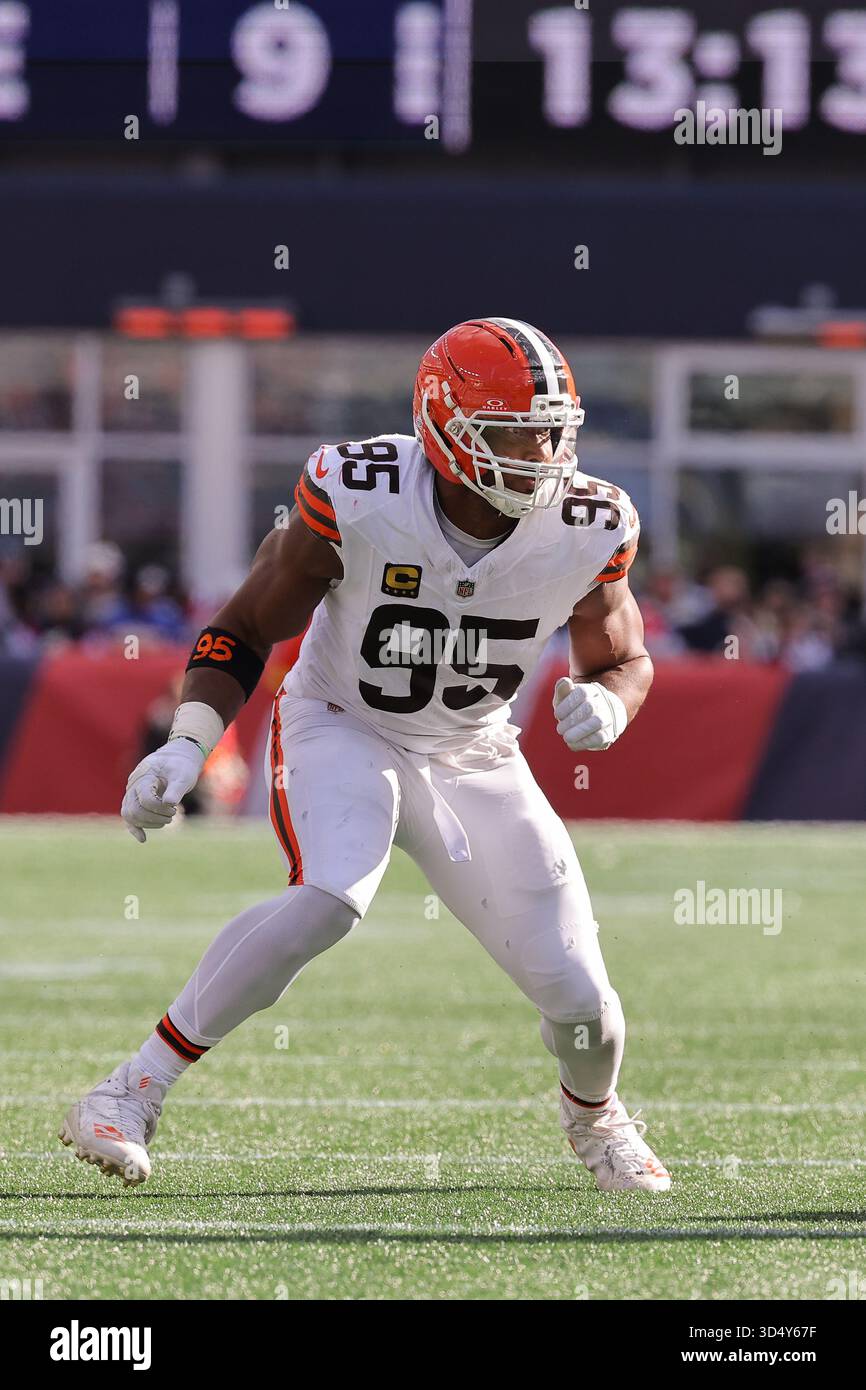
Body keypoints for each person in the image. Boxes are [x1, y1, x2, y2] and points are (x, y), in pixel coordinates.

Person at [59, 317, 670, 1193]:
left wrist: (611, 699)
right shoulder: (359, 490)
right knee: (331, 895)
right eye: (514, 430)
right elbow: (241, 629)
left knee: (585, 1006)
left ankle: (594, 1115)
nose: (541, 452)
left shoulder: (589, 520)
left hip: (475, 751)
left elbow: (622, 654)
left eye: (553, 428)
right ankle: (129, 1091)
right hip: (344, 721)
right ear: (446, 426)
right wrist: (190, 744)